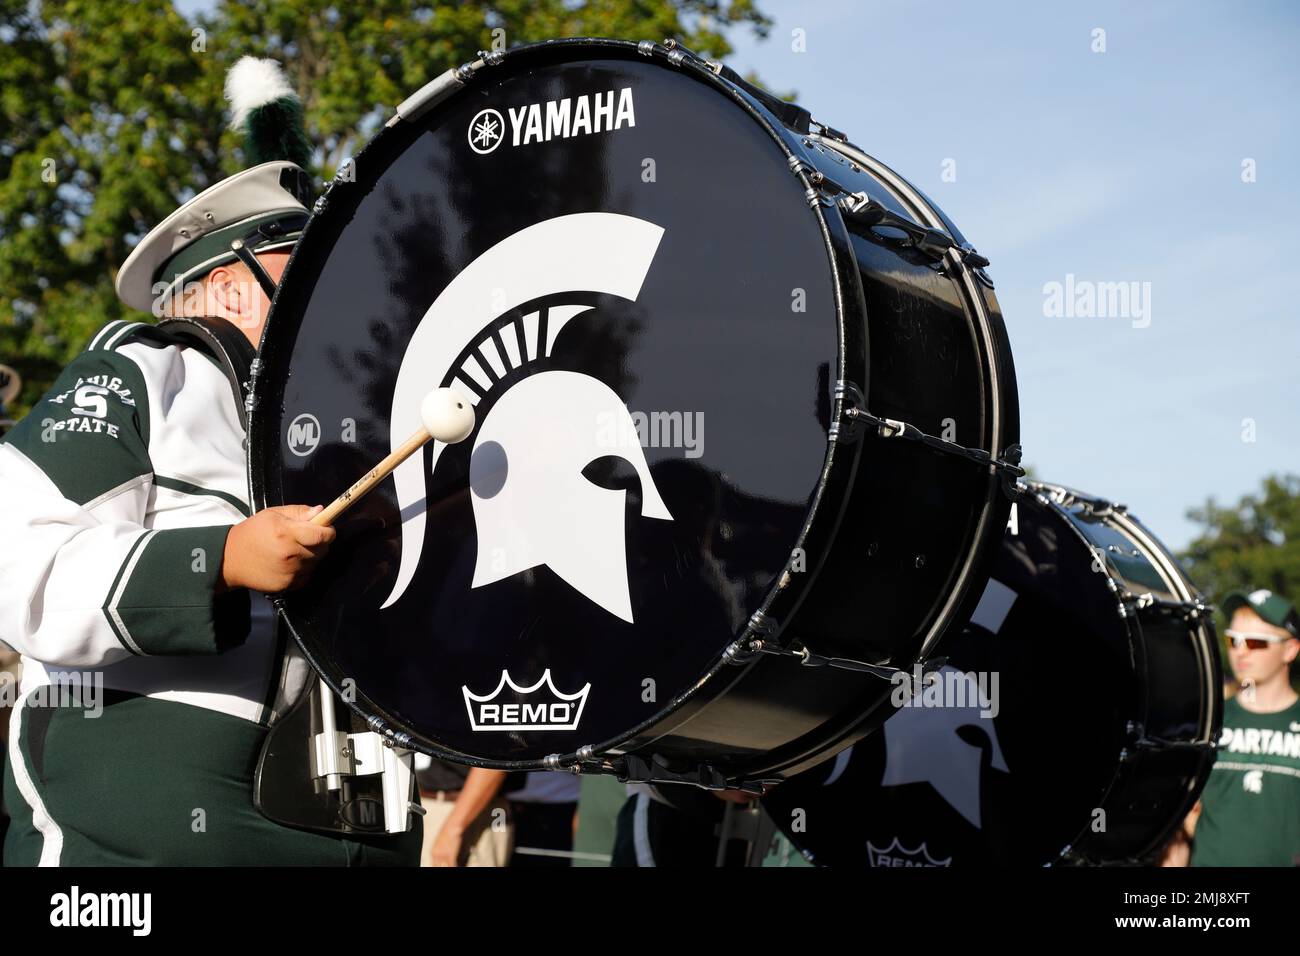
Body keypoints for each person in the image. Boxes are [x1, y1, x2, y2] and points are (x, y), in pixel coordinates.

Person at [0, 58, 419, 866]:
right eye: (306, 272)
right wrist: (219, 560)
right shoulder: (136, 369)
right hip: (137, 843)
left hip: (361, 820)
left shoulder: (363, 425)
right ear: (227, 287)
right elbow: (21, 564)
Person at [1176, 588, 1300, 867]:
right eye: (1234, 640)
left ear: (1290, 650)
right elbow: (1184, 818)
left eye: (1256, 642)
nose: (1240, 652)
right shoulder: (1206, 723)